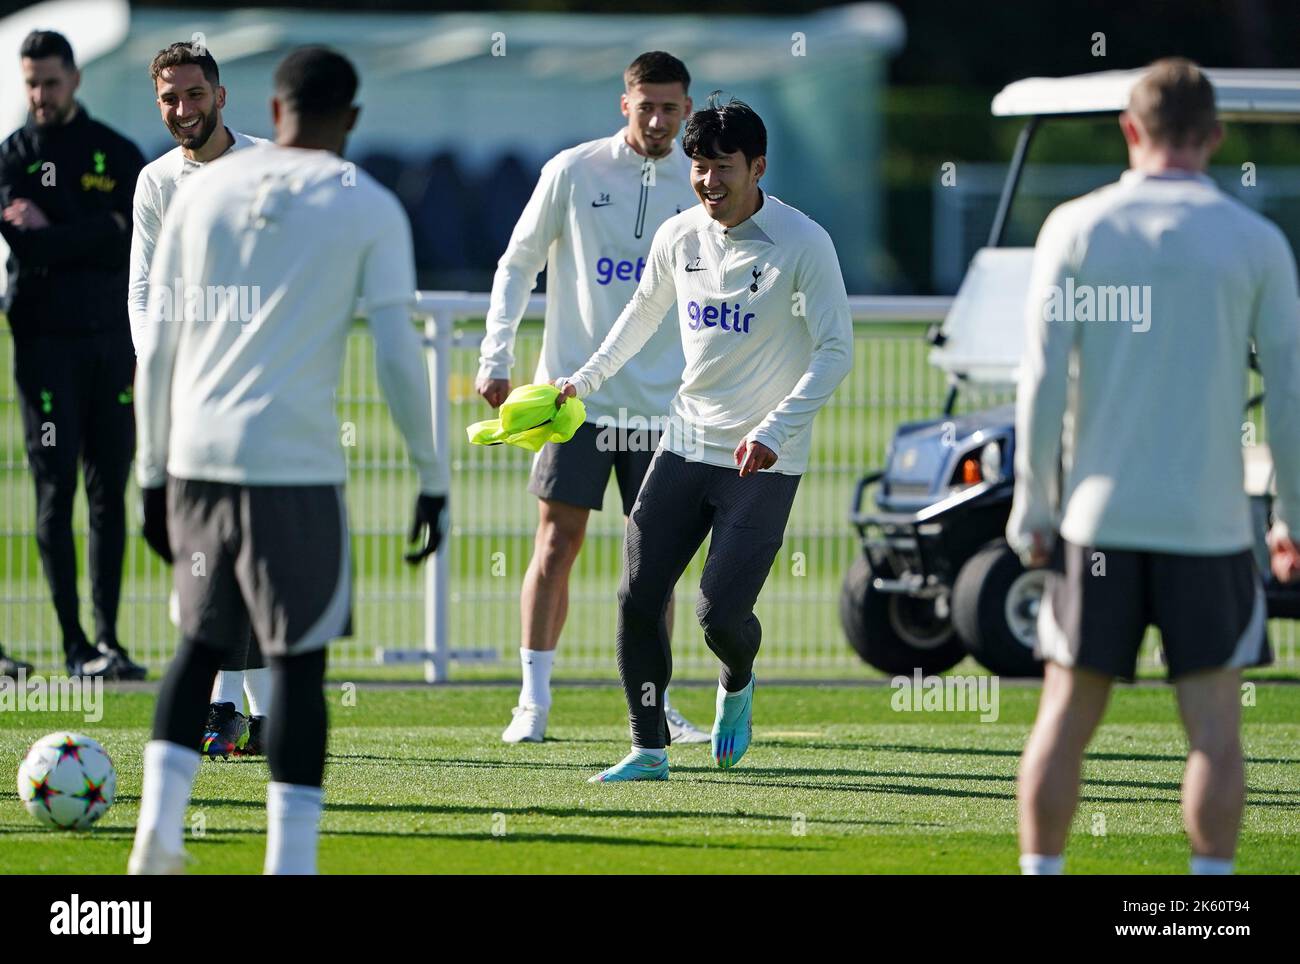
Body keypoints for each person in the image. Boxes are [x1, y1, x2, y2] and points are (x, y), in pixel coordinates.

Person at [128, 46, 448, 874]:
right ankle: (290, 862)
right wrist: (432, 475)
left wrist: (151, 471)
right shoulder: (367, 203)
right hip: (295, 465)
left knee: (198, 646)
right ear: (350, 121)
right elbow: (397, 357)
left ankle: (156, 834)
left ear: (271, 112)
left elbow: (156, 344)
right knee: (296, 664)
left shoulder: (192, 193)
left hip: (197, 456)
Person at [1008, 58, 1300, 876]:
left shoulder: (1075, 226)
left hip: (1096, 521)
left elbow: (1037, 380)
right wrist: (1291, 520)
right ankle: (1207, 909)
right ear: (1214, 136)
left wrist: (1032, 506)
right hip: (1207, 526)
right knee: (1215, 729)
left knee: (1064, 716)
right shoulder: (1258, 241)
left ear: (1129, 130)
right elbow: (1291, 395)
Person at [555, 94, 853, 781]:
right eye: (698, 167)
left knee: (718, 616)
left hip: (763, 462)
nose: (708, 182)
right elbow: (639, 315)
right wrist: (583, 381)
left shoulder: (805, 242)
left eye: (723, 168)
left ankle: (737, 681)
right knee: (636, 597)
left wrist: (776, 430)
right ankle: (648, 747)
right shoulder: (680, 234)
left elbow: (836, 351)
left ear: (758, 167)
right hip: (684, 442)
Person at [477, 51, 707, 744]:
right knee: (557, 542)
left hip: (666, 405)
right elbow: (518, 262)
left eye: (672, 108)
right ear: (624, 103)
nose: (660, 120)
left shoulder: (703, 182)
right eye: (648, 107)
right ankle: (534, 702)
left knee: (654, 565)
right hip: (572, 397)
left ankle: (654, 704)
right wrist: (497, 355)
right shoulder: (573, 171)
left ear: (687, 109)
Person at [129, 40, 270, 759]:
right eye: (169, 99)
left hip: (263, 397)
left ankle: (262, 715)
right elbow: (145, 290)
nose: (182, 109)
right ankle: (224, 712)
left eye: (193, 94)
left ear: (221, 95)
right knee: (205, 558)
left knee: (263, 555)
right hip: (189, 401)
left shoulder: (267, 168)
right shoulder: (156, 182)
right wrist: (156, 373)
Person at [0, 30, 146, 680]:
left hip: (114, 348)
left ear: (75, 80)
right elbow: (25, 249)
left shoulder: (116, 153)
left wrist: (56, 231)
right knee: (55, 491)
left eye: (50, 82)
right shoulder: (12, 156)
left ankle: (109, 642)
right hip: (43, 351)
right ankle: (72, 645)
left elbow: (131, 244)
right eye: (31, 82)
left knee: (109, 492)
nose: (40, 95)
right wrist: (96, 231)